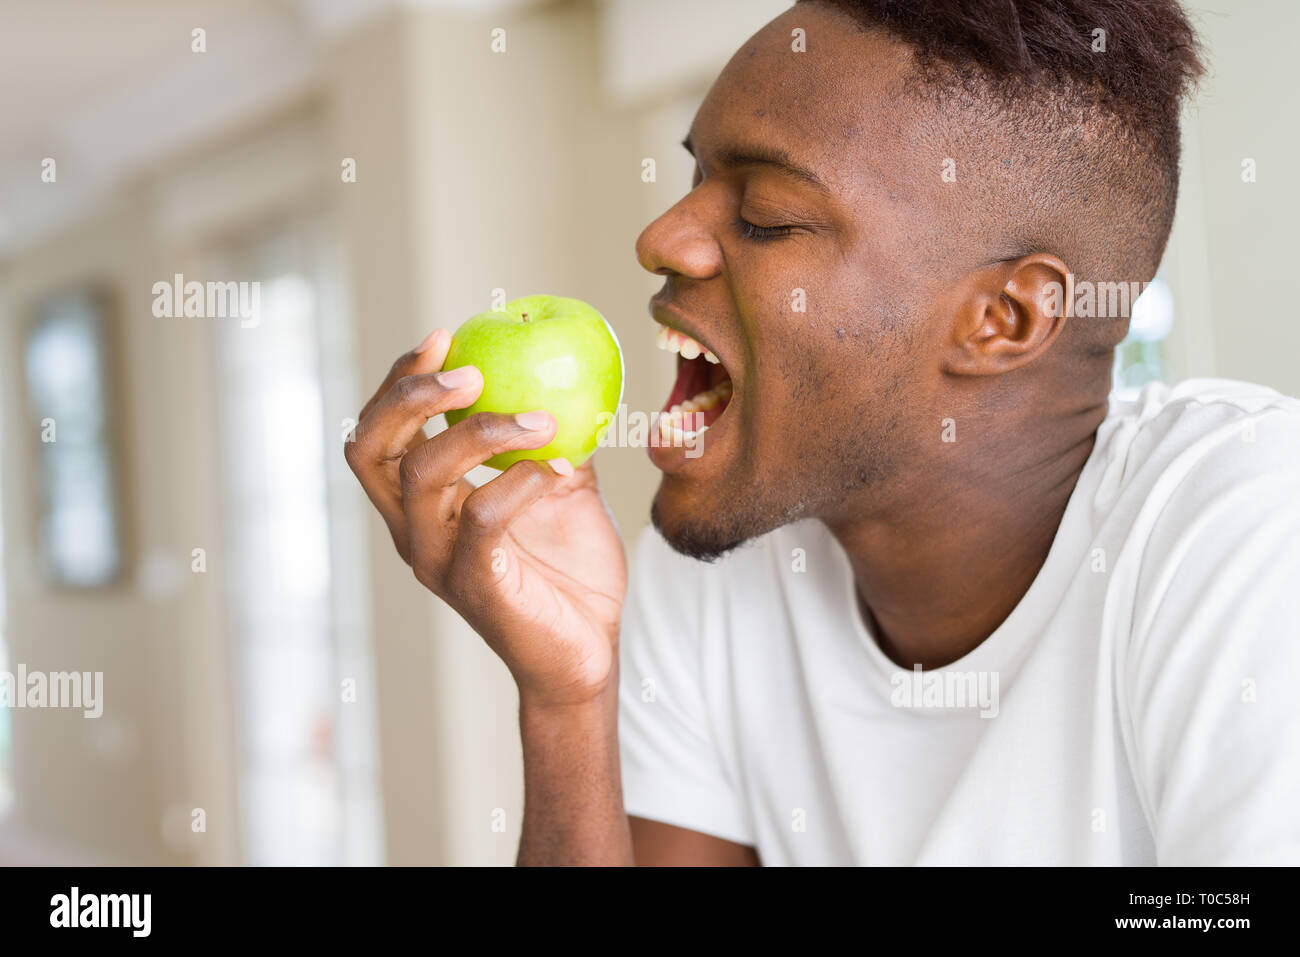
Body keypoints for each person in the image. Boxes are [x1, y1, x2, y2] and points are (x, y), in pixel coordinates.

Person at [345, 0, 1300, 865]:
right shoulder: (718, 568)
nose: (662, 238)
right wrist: (568, 701)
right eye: (696, 176)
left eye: (764, 215)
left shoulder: (1247, 530)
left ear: (1003, 320)